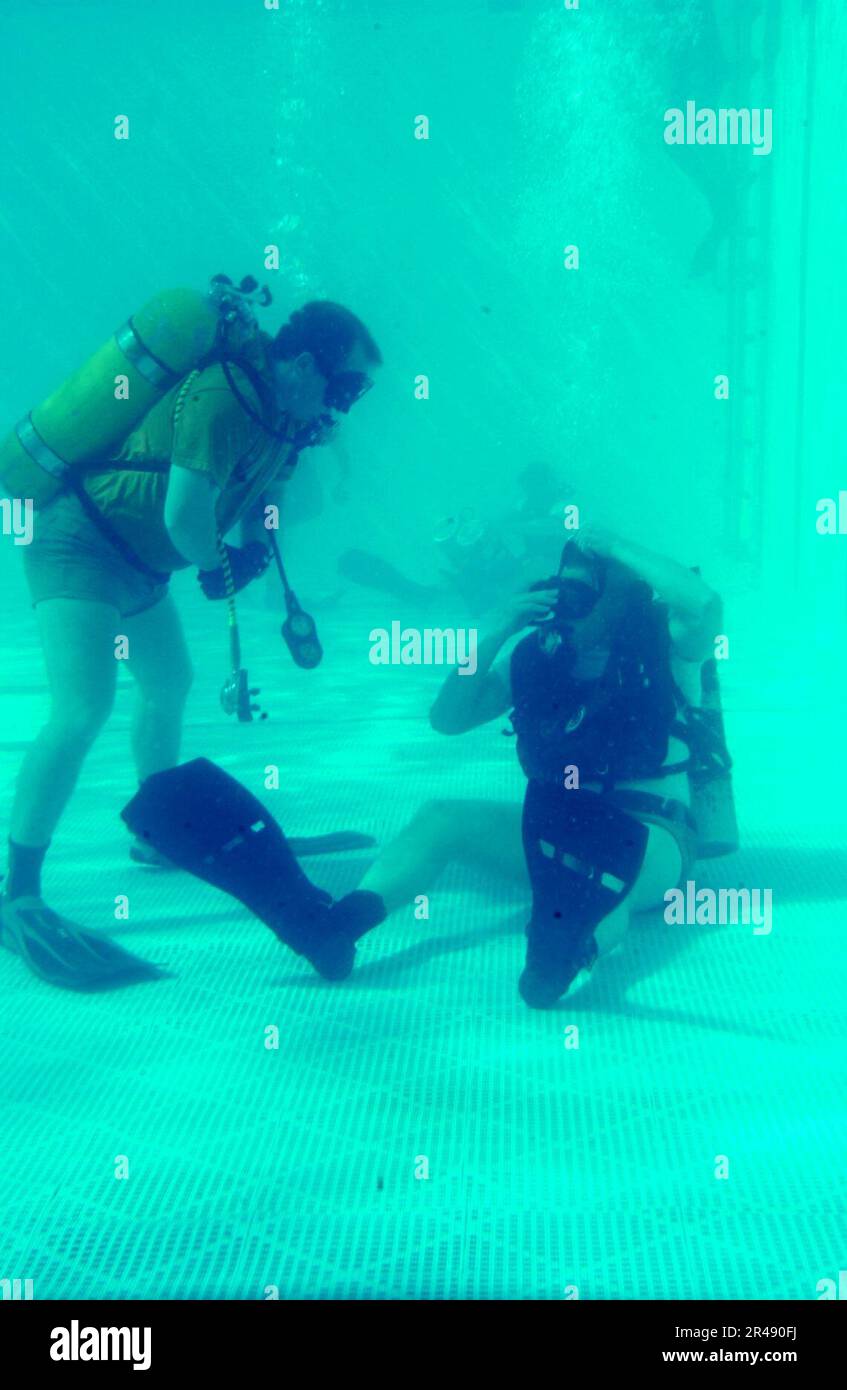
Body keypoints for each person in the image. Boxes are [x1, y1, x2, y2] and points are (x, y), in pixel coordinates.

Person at [0, 300, 381, 988]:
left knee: (169, 683)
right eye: (347, 387)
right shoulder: (224, 395)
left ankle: (157, 831)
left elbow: (263, 503)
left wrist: (252, 552)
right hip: (79, 541)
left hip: (140, 565)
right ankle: (16, 890)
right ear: (300, 365)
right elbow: (182, 514)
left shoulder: (288, 424)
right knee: (83, 708)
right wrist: (217, 565)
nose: (346, 407)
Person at [352, 527, 724, 1007]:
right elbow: (448, 718)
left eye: (587, 589)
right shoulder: (539, 657)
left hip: (653, 835)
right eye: (564, 587)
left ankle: (567, 958)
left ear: (627, 593)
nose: (570, 601)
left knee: (611, 872)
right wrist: (494, 631)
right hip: (562, 830)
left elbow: (705, 605)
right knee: (441, 817)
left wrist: (612, 546)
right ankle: (344, 923)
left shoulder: (671, 650)